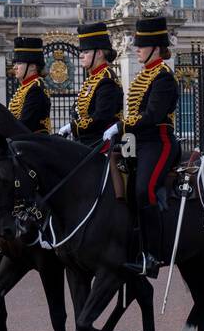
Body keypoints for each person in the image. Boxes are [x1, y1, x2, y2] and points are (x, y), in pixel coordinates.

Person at [107, 16, 178, 277]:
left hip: (159, 142)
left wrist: (121, 126)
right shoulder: (144, 75)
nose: (136, 48)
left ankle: (154, 254)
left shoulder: (163, 77)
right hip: (138, 143)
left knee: (143, 190)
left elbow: (153, 116)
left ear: (156, 48)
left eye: (142, 44)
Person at [58, 22, 122, 146]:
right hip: (86, 140)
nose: (81, 56)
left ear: (99, 53)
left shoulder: (106, 80)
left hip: (101, 142)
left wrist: (73, 127)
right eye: (81, 52)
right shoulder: (93, 78)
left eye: (86, 52)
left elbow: (101, 117)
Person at [8, 35, 52, 134]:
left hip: (34, 142)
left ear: (32, 66)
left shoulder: (36, 89)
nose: (15, 67)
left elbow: (25, 123)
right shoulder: (26, 87)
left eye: (19, 63)